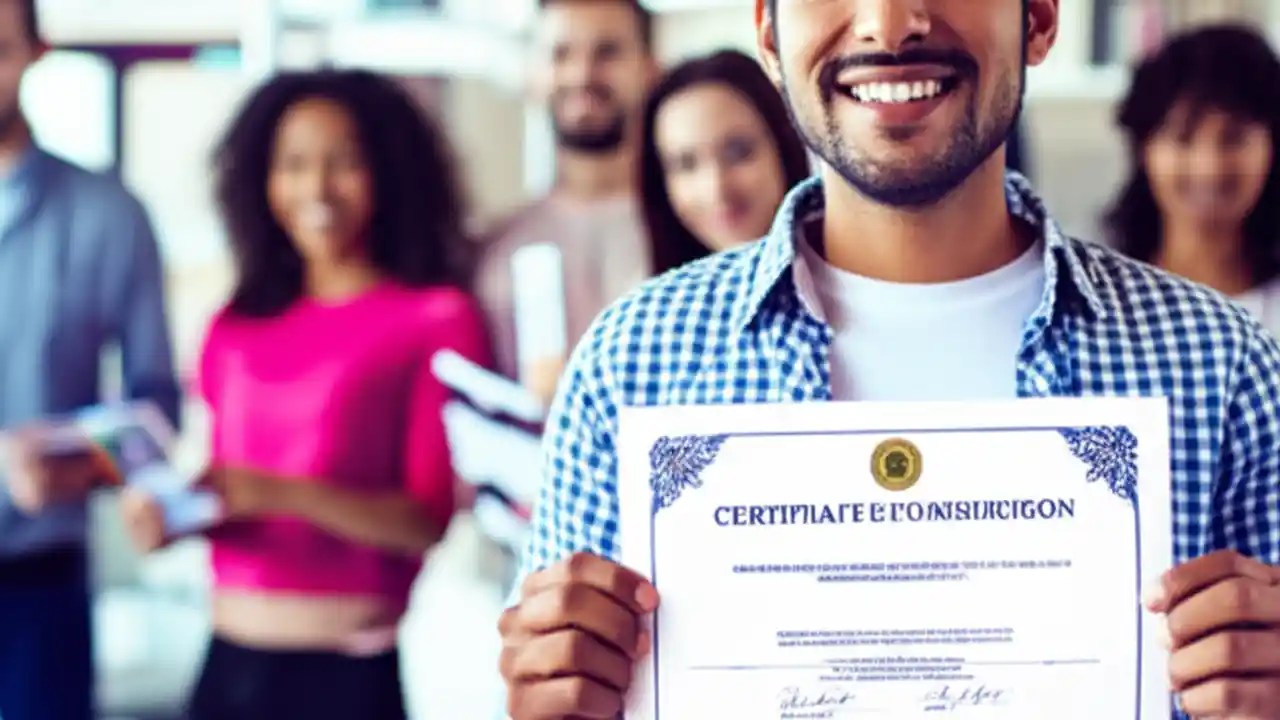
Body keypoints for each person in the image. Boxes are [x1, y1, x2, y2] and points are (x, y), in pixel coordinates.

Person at [499, 1, 1280, 719]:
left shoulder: (1223, 364)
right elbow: (560, 681)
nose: (890, 22)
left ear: (1038, 19)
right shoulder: (630, 362)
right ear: (769, 33)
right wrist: (551, 694)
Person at [120, 70, 488, 720]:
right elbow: (222, 487)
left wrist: (276, 491)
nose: (315, 188)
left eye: (343, 162)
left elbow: (424, 521)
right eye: (292, 164)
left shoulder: (434, 317)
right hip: (223, 667)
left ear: (388, 174)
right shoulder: (234, 324)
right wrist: (169, 517)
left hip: (347, 679)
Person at [0, 1, 181, 718]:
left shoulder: (110, 215)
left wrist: (77, 468)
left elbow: (157, 414)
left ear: (37, 52)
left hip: (41, 589)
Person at [474, 0, 658, 404]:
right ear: (532, 74)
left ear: (649, 69)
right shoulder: (490, 249)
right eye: (561, 53)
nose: (582, 73)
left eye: (607, 52)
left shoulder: (693, 228)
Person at [1107, 25, 1280, 334]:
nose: (1208, 167)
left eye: (1234, 137)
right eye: (1183, 138)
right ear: (1143, 147)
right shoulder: (1090, 295)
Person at [639, 49, 810, 274]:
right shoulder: (655, 304)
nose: (716, 189)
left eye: (738, 153)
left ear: (785, 146)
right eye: (686, 164)